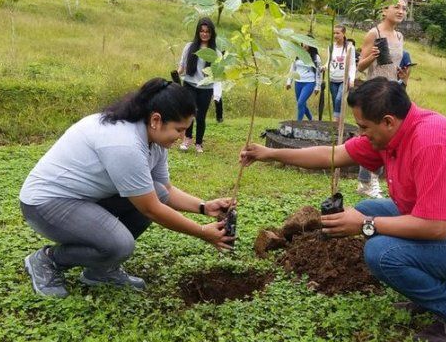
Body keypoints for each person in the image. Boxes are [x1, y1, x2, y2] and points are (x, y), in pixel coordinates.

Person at [240, 78, 446, 342]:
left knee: (380, 252)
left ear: (388, 121)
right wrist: (270, 153)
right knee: (369, 207)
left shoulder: (432, 141)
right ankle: (428, 294)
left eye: (363, 127)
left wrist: (365, 225)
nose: (361, 133)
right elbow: (333, 155)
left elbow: (436, 228)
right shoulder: (394, 134)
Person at [20, 78, 234, 298]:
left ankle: (100, 270)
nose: (181, 137)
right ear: (156, 120)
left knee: (157, 191)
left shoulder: (154, 140)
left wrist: (204, 207)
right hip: (46, 203)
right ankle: (48, 259)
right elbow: (151, 208)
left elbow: (166, 191)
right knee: (119, 245)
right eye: (179, 129)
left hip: (86, 198)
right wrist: (201, 232)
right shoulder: (125, 143)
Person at [355, 0, 409, 197]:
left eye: (404, 8)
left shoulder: (400, 36)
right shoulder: (374, 33)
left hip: (394, 90)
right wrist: (372, 56)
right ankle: (367, 181)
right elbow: (360, 66)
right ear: (384, 10)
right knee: (375, 136)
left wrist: (403, 76)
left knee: (392, 136)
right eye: (397, 7)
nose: (401, 11)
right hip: (375, 91)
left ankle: (371, 180)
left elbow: (394, 66)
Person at [178, 17, 220, 153]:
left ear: (211, 33)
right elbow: (182, 66)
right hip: (189, 84)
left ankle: (199, 143)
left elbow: (218, 75)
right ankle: (187, 139)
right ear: (198, 32)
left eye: (207, 31)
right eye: (202, 31)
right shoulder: (189, 47)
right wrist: (176, 74)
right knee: (190, 113)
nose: (204, 34)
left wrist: (217, 93)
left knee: (201, 116)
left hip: (206, 88)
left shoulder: (216, 53)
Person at [322, 24, 357, 123]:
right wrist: (324, 67)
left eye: (338, 33)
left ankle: (335, 120)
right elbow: (329, 61)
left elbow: (352, 64)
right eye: (334, 33)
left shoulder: (349, 47)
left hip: (344, 79)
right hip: (333, 78)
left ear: (343, 33)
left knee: (339, 99)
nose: (335, 35)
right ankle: (339, 122)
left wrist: (352, 79)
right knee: (335, 101)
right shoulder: (331, 47)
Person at [285, 43, 322, 121]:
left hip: (309, 83)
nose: (304, 45)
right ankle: (311, 120)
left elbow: (318, 72)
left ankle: (298, 124)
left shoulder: (315, 57)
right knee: (302, 104)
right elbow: (293, 69)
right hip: (298, 82)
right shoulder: (298, 54)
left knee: (300, 103)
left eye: (306, 44)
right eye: (303, 43)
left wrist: (317, 86)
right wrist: (289, 82)